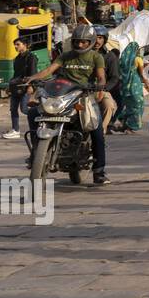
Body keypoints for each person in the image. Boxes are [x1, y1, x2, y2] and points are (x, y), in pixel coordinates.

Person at [27, 23, 110, 185]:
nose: (80, 44)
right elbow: (49, 70)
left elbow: (101, 77)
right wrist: (32, 78)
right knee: (33, 113)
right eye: (77, 41)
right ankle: (36, 153)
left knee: (96, 129)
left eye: (84, 42)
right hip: (63, 95)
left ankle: (99, 171)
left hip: (84, 96)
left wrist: (100, 84)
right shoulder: (66, 55)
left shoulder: (96, 57)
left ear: (91, 42)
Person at [112, 40, 149, 133]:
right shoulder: (138, 59)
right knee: (138, 106)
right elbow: (142, 75)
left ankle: (124, 125)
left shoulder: (123, 60)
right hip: (135, 86)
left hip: (125, 87)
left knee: (129, 106)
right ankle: (131, 126)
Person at [3, 37, 37, 141]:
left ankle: (41, 122)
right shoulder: (17, 58)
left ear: (25, 45)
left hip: (25, 87)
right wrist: (9, 86)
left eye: (18, 44)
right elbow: (16, 74)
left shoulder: (31, 57)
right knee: (13, 109)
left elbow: (33, 73)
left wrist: (31, 86)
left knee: (24, 109)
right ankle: (15, 130)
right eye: (15, 45)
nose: (15, 46)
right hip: (16, 87)